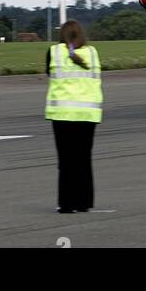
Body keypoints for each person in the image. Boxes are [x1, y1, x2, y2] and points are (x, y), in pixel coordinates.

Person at [46, 20, 102, 213]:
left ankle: (67, 203)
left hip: (62, 114)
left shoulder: (54, 52)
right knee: (84, 159)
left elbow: (49, 73)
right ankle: (84, 202)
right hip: (87, 114)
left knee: (66, 160)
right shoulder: (93, 53)